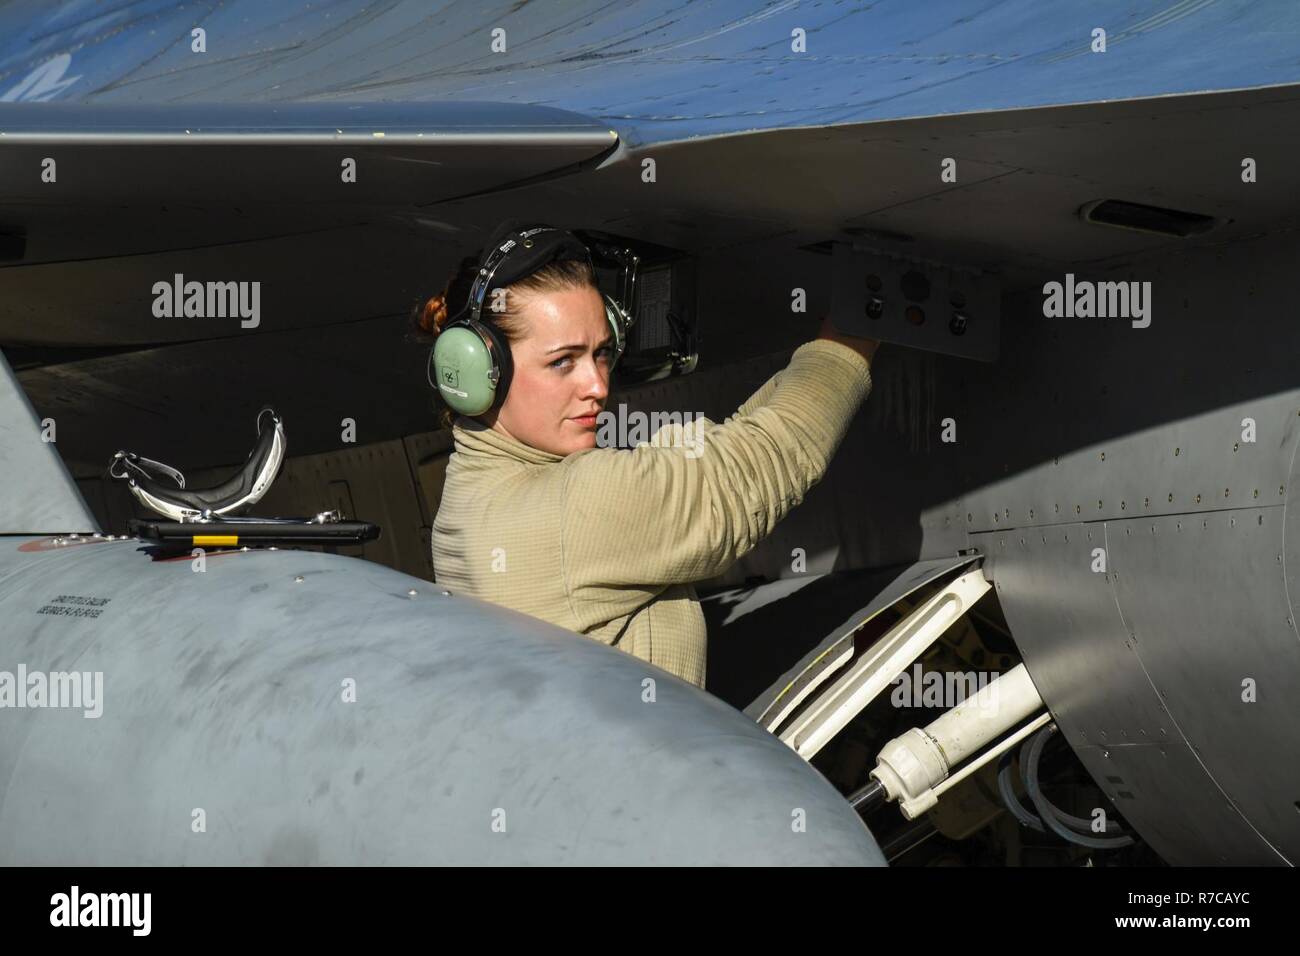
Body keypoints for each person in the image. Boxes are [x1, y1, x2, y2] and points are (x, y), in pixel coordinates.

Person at [420, 221, 878, 689]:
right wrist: (861, 319)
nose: (598, 386)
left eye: (601, 353)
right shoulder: (573, 510)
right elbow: (763, 461)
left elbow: (732, 449)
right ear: (480, 373)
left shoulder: (468, 503)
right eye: (562, 361)